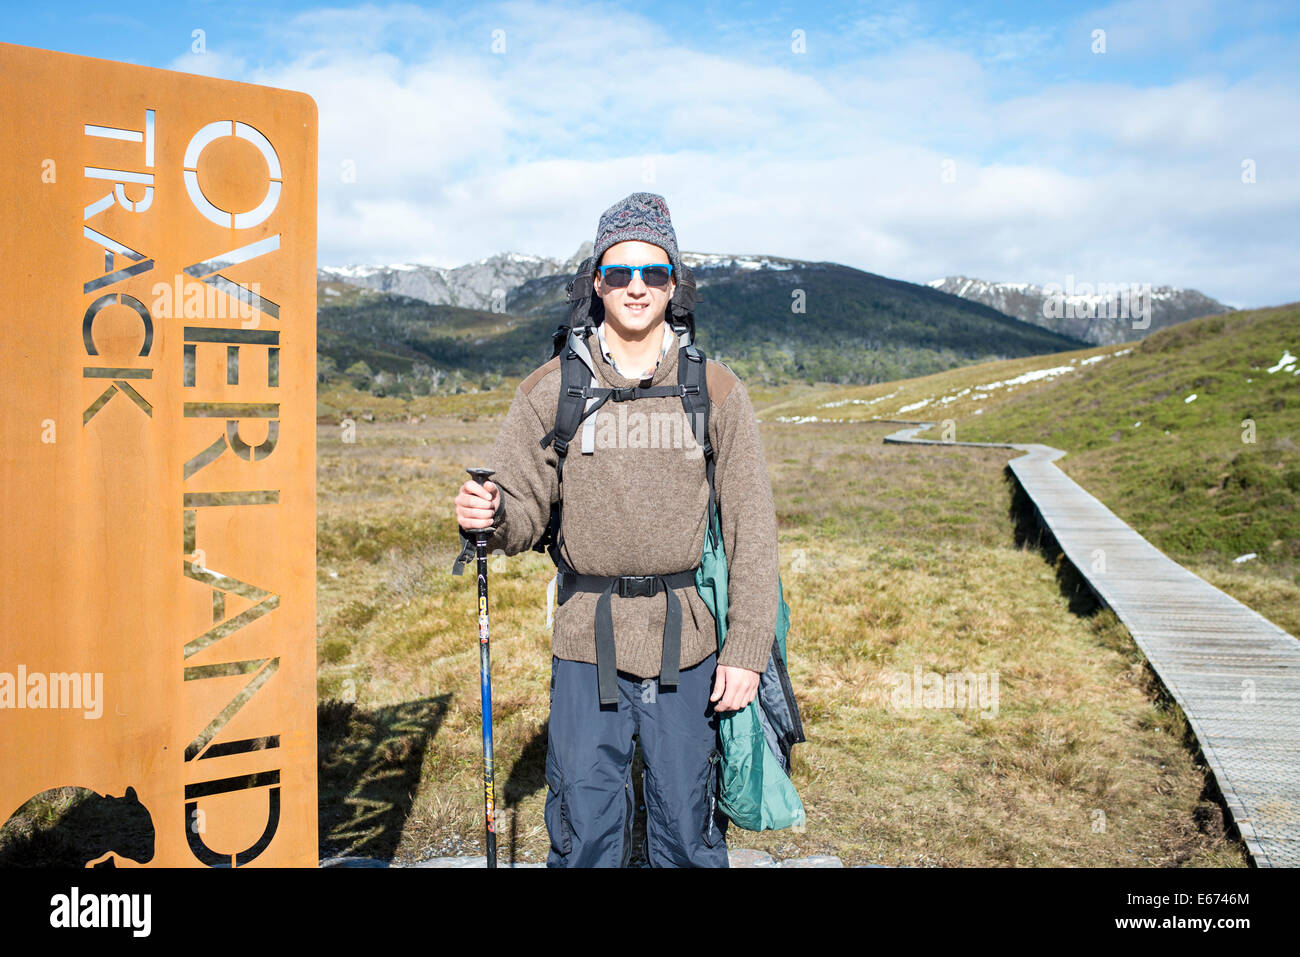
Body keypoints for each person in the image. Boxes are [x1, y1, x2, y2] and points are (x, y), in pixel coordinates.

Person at [453, 191, 780, 867]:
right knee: (584, 830)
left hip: (687, 639)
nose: (637, 286)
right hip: (584, 639)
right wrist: (488, 518)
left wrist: (745, 649)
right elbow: (523, 509)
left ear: (675, 284)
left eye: (654, 272)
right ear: (596, 282)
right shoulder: (549, 389)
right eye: (621, 271)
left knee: (689, 830)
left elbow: (754, 527)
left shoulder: (716, 390)